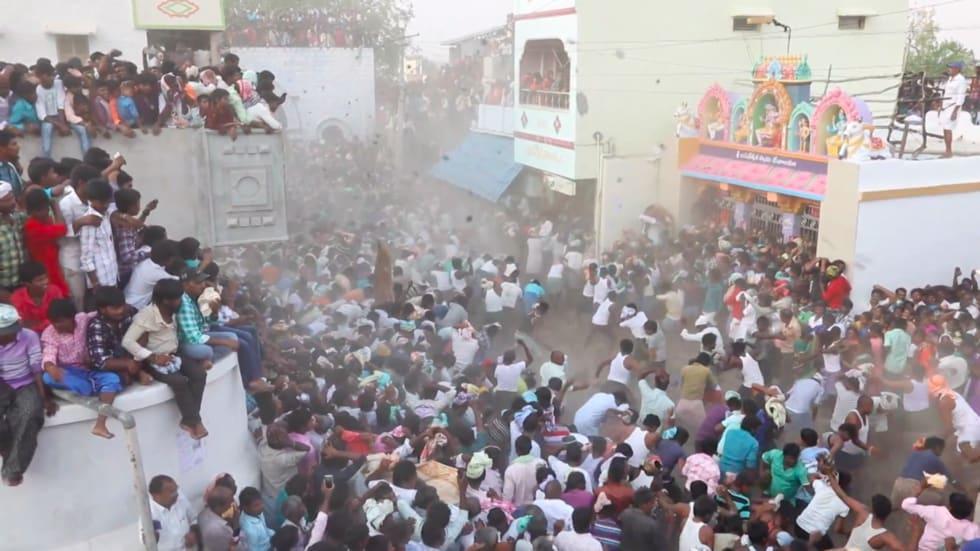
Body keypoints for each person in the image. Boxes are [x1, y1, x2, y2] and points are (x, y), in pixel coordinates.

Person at [123, 278, 208, 439]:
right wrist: (152, 357)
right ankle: (195, 421)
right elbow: (127, 342)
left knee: (199, 374)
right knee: (179, 381)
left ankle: (190, 419)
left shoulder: (174, 312)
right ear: (166, 300)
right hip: (154, 360)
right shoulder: (146, 315)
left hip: (174, 354)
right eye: (177, 298)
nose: (180, 301)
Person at [40, 299, 121, 439]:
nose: (56, 325)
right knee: (47, 377)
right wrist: (51, 367)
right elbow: (48, 354)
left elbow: (102, 311)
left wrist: (125, 308)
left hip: (90, 370)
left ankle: (100, 424)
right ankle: (95, 388)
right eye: (53, 322)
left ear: (72, 318)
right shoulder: (49, 333)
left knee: (112, 378)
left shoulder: (83, 319)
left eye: (60, 321)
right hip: (69, 372)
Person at [0, 303, 52, 486]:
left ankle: (13, 469)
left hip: (25, 382)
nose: (8, 336)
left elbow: (36, 369)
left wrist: (43, 398)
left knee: (30, 413)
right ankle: (5, 446)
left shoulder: (29, 336)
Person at [902, 486, 980, 550]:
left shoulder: (937, 512)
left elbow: (906, 505)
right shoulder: (972, 528)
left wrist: (921, 489)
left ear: (950, 507)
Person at [22, 188, 68, 295]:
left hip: (54, 266)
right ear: (29, 211)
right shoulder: (32, 227)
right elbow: (62, 229)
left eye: (46, 208)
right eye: (39, 210)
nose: (44, 212)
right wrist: (56, 207)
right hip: (47, 270)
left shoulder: (44, 220)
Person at [79, 178, 119, 290]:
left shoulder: (105, 214)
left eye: (108, 202)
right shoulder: (89, 221)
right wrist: (95, 284)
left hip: (112, 274)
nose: (106, 205)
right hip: (101, 280)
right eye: (102, 202)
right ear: (91, 200)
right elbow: (86, 258)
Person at [10, 261, 65, 333]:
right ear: (27, 283)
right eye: (40, 280)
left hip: (54, 331)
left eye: (46, 278)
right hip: (29, 333)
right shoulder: (17, 298)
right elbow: (21, 323)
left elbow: (61, 316)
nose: (45, 282)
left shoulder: (55, 291)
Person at [126, 238, 180, 309]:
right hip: (134, 306)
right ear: (170, 259)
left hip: (127, 299)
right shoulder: (156, 273)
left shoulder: (146, 262)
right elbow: (179, 281)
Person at [148, 474, 198, 551]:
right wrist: (152, 536)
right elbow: (147, 540)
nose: (177, 494)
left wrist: (193, 532)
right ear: (156, 496)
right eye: (172, 492)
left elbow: (194, 519)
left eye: (176, 489)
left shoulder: (180, 498)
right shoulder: (148, 513)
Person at [0, 181, 26, 297]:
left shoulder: (17, 217)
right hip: (3, 288)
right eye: (7, 200)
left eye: (12, 198)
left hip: (21, 283)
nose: (12, 202)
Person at [198, 485, 238, 551]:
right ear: (220, 506)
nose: (233, 502)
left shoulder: (203, 513)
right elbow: (237, 547)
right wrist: (236, 522)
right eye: (230, 501)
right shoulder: (221, 529)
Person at [942, 60, 968, 158]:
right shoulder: (950, 79)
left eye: (951, 67)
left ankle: (949, 152)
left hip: (953, 107)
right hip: (946, 106)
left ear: (957, 69)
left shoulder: (961, 80)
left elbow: (961, 97)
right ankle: (947, 151)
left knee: (948, 128)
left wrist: (955, 112)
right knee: (945, 128)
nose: (949, 69)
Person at [240, 486, 275, 551]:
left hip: (268, 539)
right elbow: (253, 549)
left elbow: (265, 528)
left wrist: (274, 534)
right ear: (245, 508)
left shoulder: (256, 512)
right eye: (256, 505)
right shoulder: (250, 530)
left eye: (261, 503)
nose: (261, 506)